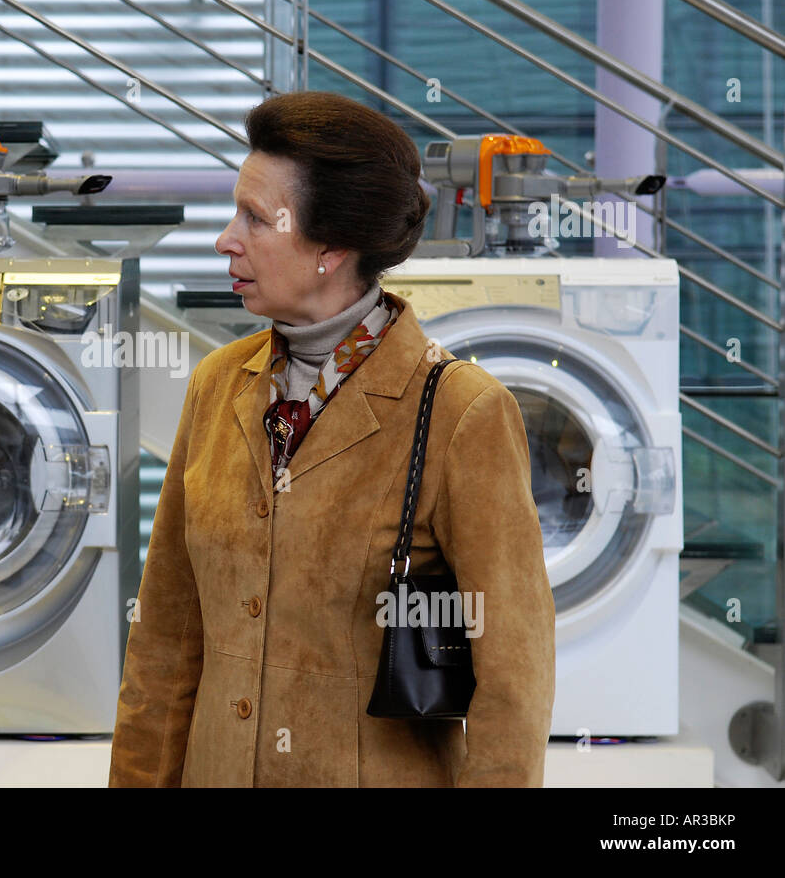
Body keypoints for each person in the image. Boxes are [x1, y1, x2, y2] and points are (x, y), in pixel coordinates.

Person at [108, 90, 555, 787]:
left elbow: (512, 685)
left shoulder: (462, 413)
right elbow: (164, 642)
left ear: (333, 246)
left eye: (255, 219)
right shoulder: (218, 385)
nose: (226, 239)